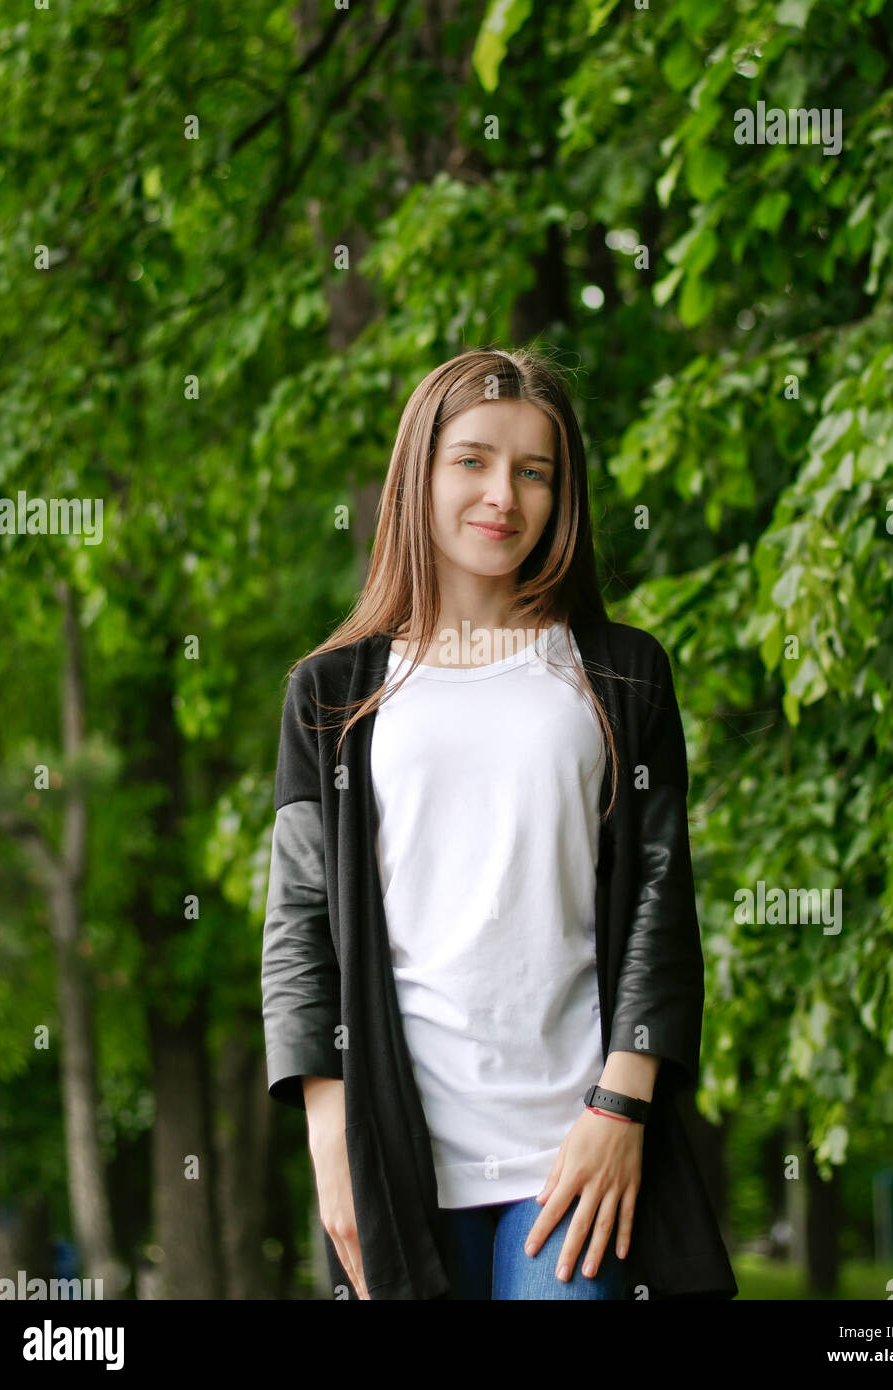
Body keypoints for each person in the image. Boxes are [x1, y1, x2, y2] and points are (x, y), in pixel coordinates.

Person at [260, 347, 737, 1301]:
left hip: (570, 1157)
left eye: (534, 471)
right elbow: (300, 923)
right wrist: (328, 1132)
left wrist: (621, 1106)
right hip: (397, 1155)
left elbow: (659, 896)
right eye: (472, 460)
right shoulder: (333, 691)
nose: (502, 497)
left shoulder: (621, 674)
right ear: (418, 473)